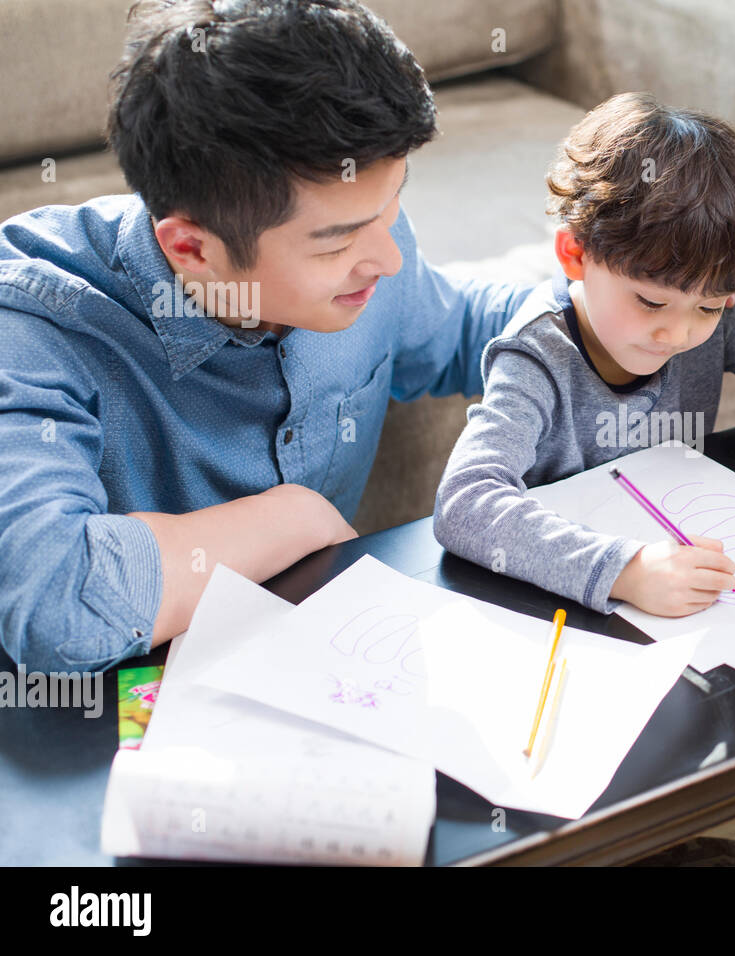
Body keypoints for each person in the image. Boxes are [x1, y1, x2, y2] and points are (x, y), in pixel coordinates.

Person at [0, 0, 533, 672]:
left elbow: (464, 331)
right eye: (337, 240)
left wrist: (622, 302)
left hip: (321, 671)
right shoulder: (31, 321)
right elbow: (56, 608)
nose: (388, 258)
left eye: (392, 205)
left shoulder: (370, 252)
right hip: (96, 732)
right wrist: (292, 520)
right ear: (192, 249)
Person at [433, 93, 735, 617]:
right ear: (576, 254)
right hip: (566, 610)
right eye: (651, 301)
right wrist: (624, 571)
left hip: (691, 585)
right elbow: (464, 504)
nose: (677, 333)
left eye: (707, 307)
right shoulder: (536, 356)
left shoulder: (715, 320)